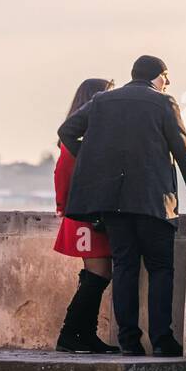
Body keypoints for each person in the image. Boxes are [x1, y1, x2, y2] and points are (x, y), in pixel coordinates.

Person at [58, 55, 186, 357]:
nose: (167, 84)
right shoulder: (164, 103)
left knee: (125, 267)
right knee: (161, 269)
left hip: (113, 203)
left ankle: (129, 341)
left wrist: (92, 159)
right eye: (167, 78)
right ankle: (162, 341)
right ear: (159, 76)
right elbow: (182, 148)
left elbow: (66, 131)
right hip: (154, 201)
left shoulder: (102, 101)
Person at [52, 78, 119, 354]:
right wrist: (63, 206)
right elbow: (63, 175)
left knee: (97, 275)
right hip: (84, 218)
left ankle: (83, 334)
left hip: (84, 216)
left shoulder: (84, 138)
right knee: (98, 275)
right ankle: (70, 334)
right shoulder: (77, 142)